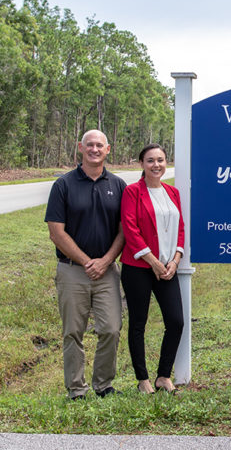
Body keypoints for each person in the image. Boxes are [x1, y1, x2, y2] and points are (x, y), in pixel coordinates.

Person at [45, 129, 127, 400]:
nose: (94, 149)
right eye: (89, 145)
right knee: (73, 332)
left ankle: (103, 385)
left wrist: (105, 261)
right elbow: (56, 231)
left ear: (108, 149)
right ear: (80, 147)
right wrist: (86, 261)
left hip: (107, 272)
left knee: (111, 329)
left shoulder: (117, 186)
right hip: (72, 271)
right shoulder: (63, 185)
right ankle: (76, 389)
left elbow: (123, 230)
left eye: (99, 145)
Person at [120, 144, 185, 395]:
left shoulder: (173, 192)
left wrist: (175, 260)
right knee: (138, 322)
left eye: (160, 160)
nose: (156, 165)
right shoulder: (133, 192)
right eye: (150, 161)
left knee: (176, 321)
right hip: (139, 267)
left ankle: (163, 376)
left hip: (168, 268)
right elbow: (131, 229)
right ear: (142, 164)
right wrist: (153, 262)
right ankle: (143, 379)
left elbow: (180, 228)